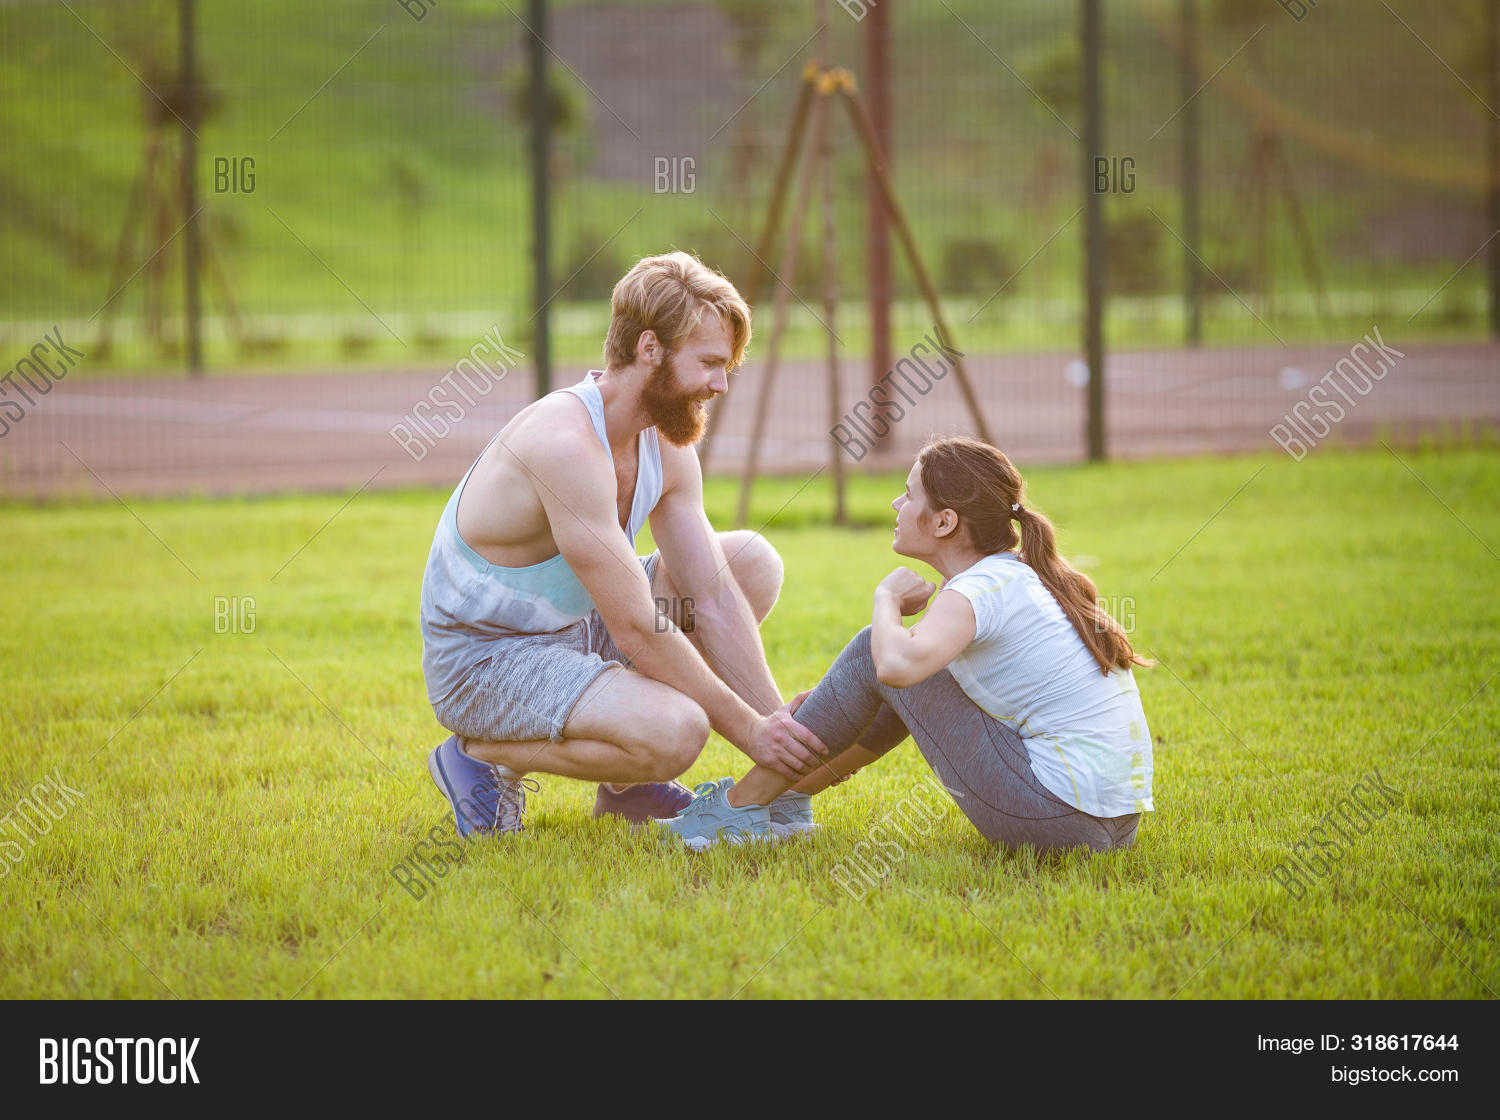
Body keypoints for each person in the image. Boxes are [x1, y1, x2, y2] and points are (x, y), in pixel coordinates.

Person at [421, 251, 827, 836]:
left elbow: (710, 595)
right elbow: (636, 626)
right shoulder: (565, 444)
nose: (720, 385)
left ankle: (626, 789)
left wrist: (776, 725)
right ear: (649, 349)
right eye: (710, 364)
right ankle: (481, 757)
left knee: (750, 564)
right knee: (676, 731)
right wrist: (749, 733)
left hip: (579, 625)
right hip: (488, 660)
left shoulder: (664, 440)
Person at [658, 436, 1154, 853]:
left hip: (1054, 819)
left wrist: (887, 598)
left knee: (875, 650)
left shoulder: (979, 589)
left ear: (944, 522)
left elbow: (892, 666)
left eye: (909, 494)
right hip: (1109, 826)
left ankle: (734, 812)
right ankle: (785, 799)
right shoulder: (1013, 577)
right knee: (897, 668)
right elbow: (899, 684)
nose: (897, 505)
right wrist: (838, 707)